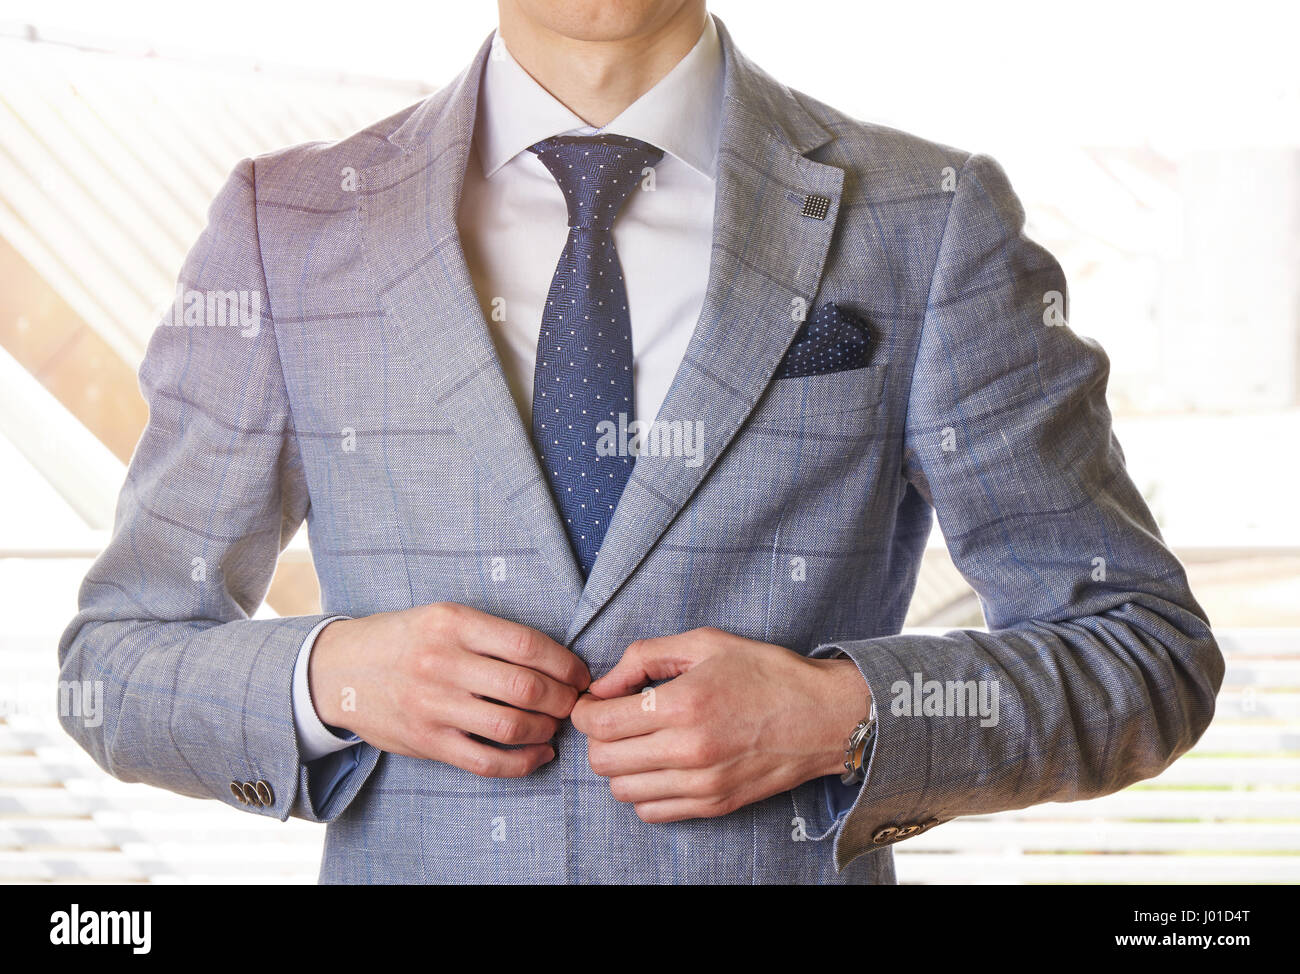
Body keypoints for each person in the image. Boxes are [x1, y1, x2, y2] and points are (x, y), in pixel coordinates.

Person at [58, 0, 1223, 884]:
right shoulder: (288, 225)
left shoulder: (930, 221)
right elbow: (114, 663)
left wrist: (836, 713)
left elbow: (1144, 655)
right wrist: (337, 675)